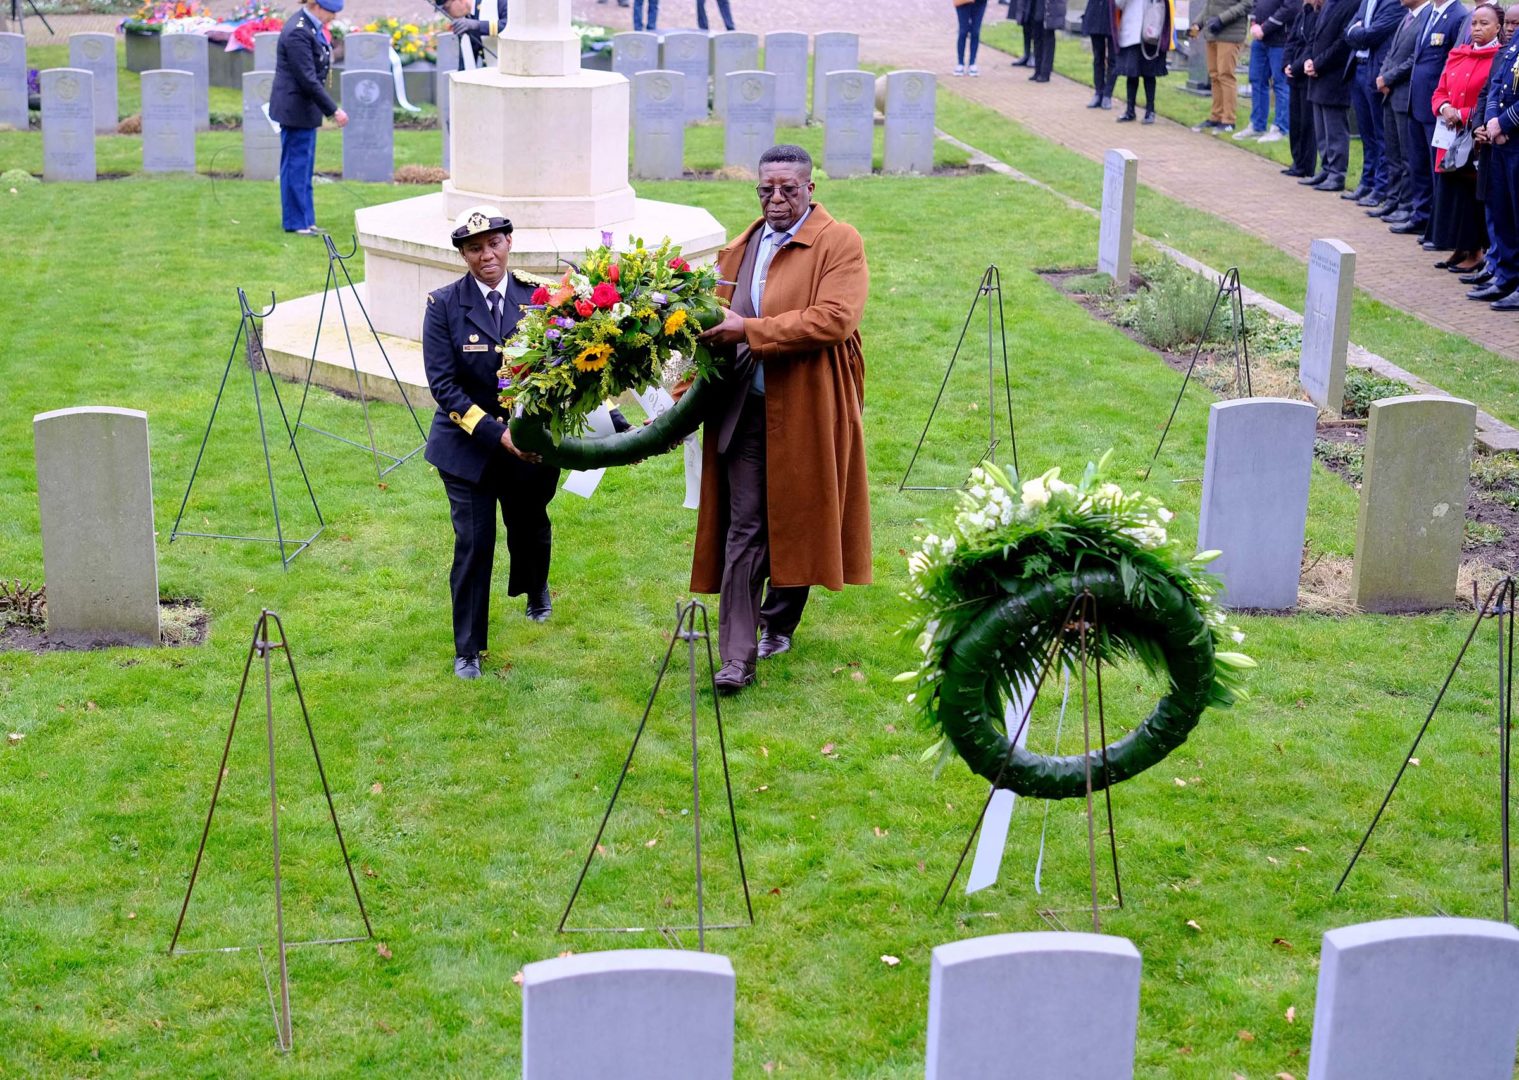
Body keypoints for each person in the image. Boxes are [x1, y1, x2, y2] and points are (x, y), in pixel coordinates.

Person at [690, 145, 871, 694]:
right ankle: (736, 658)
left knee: (798, 514)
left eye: (788, 189)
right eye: (766, 188)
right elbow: (712, 321)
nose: (776, 198)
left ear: (809, 189)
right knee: (745, 526)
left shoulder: (839, 242)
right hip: (745, 408)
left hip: (809, 408)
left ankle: (780, 620)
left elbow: (833, 320)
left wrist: (749, 330)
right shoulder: (740, 248)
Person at [422, 206, 559, 680]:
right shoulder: (443, 305)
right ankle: (468, 648)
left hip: (529, 442)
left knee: (529, 524)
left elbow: (565, 366)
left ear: (509, 242)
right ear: (463, 254)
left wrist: (610, 420)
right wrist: (498, 434)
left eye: (494, 244)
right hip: (468, 448)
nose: (487, 256)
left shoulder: (538, 297)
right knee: (474, 544)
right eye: (475, 248)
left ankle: (535, 587)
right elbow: (445, 387)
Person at [1431, 2, 1500, 273]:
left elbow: (1490, 99)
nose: (1477, 28)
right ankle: (1459, 247)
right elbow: (1440, 91)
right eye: (1474, 23)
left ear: (1497, 27)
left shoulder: (1498, 58)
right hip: (1449, 136)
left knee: (1471, 195)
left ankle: (1476, 250)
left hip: (1475, 138)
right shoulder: (1457, 54)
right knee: (1452, 192)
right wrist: (1444, 108)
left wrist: (1462, 114)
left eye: (1484, 23)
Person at [269, 0, 347, 236]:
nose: (333, 17)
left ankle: (306, 219)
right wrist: (333, 110)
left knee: (304, 168)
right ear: (317, 6)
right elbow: (307, 78)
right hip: (295, 110)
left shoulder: (310, 27)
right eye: (331, 12)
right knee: (296, 167)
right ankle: (296, 222)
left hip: (304, 109)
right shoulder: (298, 32)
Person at [1398, 0, 1470, 242]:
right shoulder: (1430, 11)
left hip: (1438, 107)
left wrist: (1445, 102)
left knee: (1435, 168)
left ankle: (1437, 226)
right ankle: (1421, 216)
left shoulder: (1458, 15)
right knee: (1418, 164)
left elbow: (1453, 63)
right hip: (1418, 101)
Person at [1343, 0, 1407, 204]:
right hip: (1358, 68)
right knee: (1366, 134)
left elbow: (1371, 35)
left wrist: (1356, 31)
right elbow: (1347, 31)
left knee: (1381, 135)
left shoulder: (1394, 3)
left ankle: (1381, 187)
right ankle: (1367, 182)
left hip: (1376, 71)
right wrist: (1356, 31)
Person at [1372, 0, 1426, 220]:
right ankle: (1392, 200)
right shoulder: (1406, 17)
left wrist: (1388, 77)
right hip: (1390, 95)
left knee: (1406, 156)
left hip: (1405, 95)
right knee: (1392, 154)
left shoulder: (1426, 17)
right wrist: (1382, 75)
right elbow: (1392, 53)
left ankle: (1406, 205)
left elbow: (1415, 58)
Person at [1298, 0, 1357, 191]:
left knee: (1335, 128)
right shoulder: (1329, 3)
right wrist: (1308, 59)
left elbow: (1343, 42)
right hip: (1317, 74)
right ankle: (1325, 168)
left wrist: (1318, 64)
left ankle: (1337, 173)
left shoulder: (1352, 4)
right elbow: (1314, 35)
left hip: (1334, 75)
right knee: (1321, 128)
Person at [1189, 0, 1252, 131]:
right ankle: (1216, 117)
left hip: (1230, 34)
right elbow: (1209, 6)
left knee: (1226, 75)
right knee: (1214, 76)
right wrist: (1197, 24)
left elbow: (1246, 4)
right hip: (1213, 33)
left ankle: (1229, 120)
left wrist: (1221, 19)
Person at [1237, 0, 1293, 139]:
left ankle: (1280, 128)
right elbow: (1256, 4)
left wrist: (1265, 28)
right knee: (1257, 80)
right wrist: (1254, 23)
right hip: (1260, 40)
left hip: (1281, 40)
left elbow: (1290, 8)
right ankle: (1257, 125)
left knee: (1280, 83)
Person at [1115, 0, 1174, 121]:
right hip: (1131, 32)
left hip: (1151, 31)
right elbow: (1118, 4)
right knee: (1132, 74)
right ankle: (1130, 110)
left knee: (1149, 74)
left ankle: (1150, 111)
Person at [1283, 0, 1321, 174]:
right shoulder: (1302, 13)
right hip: (1294, 74)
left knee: (1307, 122)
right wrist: (1286, 63)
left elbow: (1310, 45)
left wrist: (1296, 66)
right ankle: (1297, 160)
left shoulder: (1318, 14)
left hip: (1305, 73)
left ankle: (1306, 164)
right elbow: (1291, 41)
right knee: (1295, 120)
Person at [1083, 0, 1119, 107]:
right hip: (1096, 13)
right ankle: (1098, 92)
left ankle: (1107, 94)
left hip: (1113, 13)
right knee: (1098, 57)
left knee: (1113, 59)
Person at [1028, 0, 1069, 80]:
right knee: (1037, 38)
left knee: (1047, 40)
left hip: (1049, 8)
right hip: (1038, 8)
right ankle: (1038, 70)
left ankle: (1045, 72)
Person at [955, 0, 990, 76]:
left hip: (979, 3)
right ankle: (960, 63)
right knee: (963, 31)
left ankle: (972, 63)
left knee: (975, 32)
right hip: (963, 3)